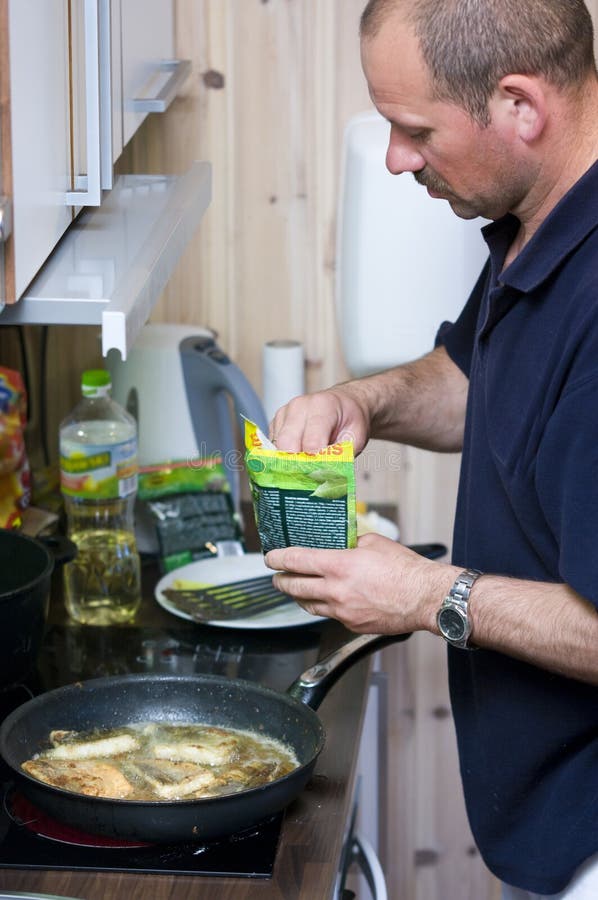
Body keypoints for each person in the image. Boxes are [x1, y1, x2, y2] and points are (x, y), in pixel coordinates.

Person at [263, 1, 598, 897]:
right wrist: (361, 401)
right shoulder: (547, 211)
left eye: (415, 131)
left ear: (520, 105)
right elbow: (480, 380)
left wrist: (422, 594)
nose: (396, 159)